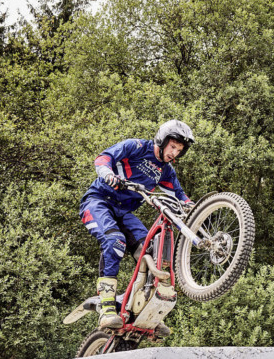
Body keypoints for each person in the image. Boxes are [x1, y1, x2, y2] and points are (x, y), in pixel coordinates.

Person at [80, 119, 196, 331]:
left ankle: (144, 308)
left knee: (152, 253)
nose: (174, 153)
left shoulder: (166, 171)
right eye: (172, 147)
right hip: (98, 201)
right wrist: (108, 174)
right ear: (162, 140)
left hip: (124, 212)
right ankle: (107, 310)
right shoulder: (136, 147)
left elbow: (179, 195)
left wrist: (191, 206)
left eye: (179, 150)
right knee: (115, 241)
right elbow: (103, 158)